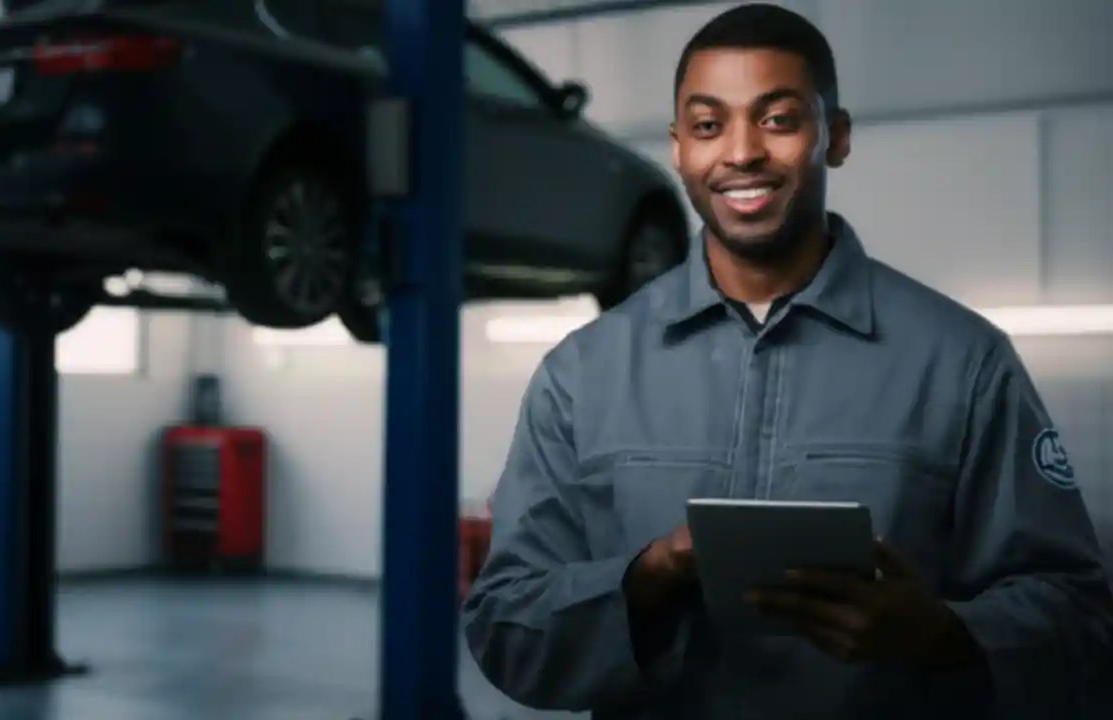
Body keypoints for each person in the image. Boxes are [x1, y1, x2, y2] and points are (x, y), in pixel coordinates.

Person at [460, 4, 1113, 719]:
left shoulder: (963, 363)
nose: (740, 152)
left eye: (778, 119)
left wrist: (943, 634)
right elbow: (504, 624)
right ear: (679, 148)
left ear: (835, 137)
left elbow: (1080, 619)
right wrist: (647, 574)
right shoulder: (581, 375)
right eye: (709, 125)